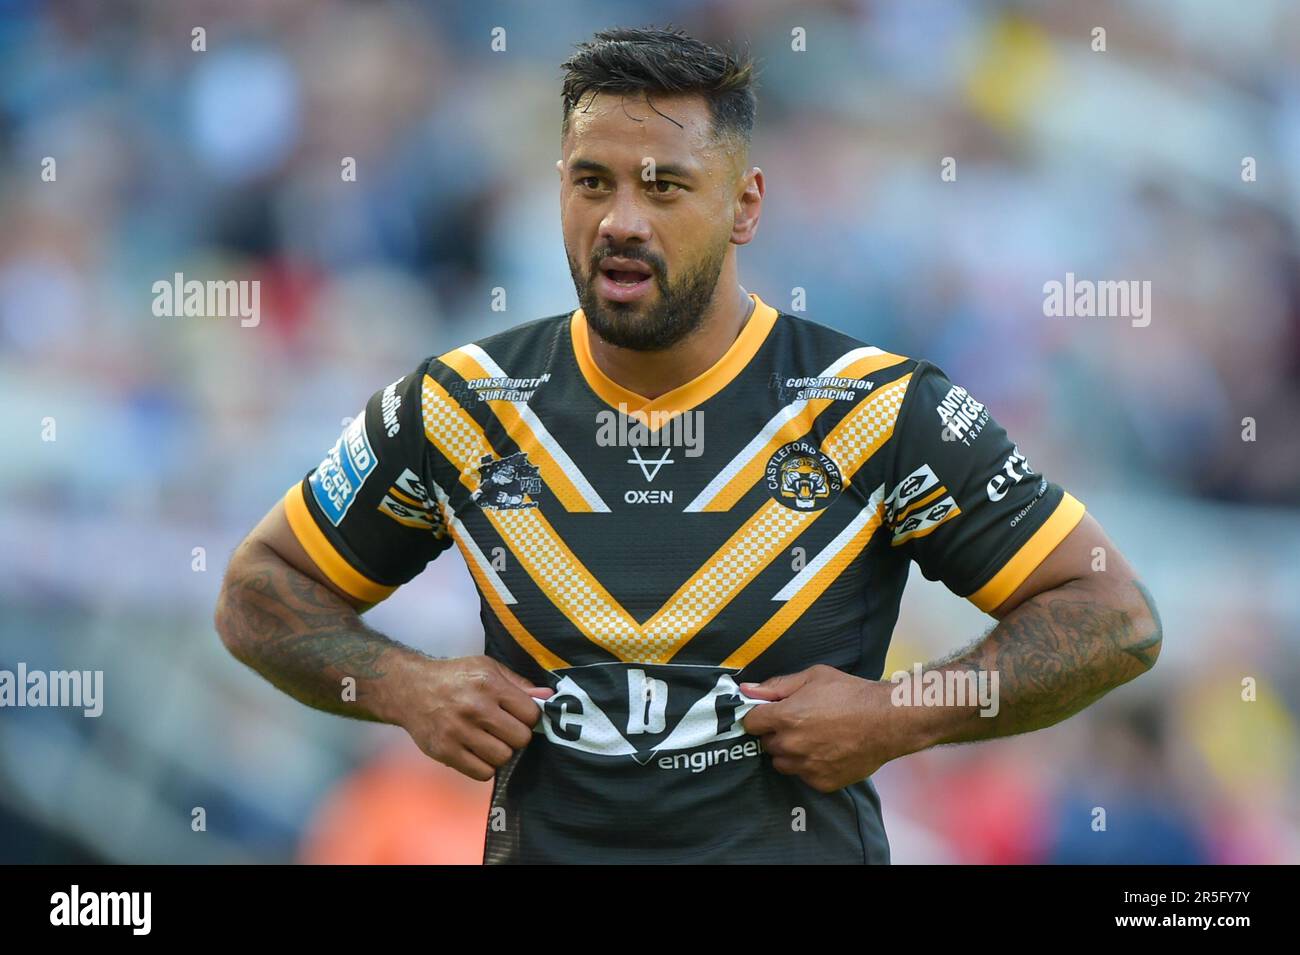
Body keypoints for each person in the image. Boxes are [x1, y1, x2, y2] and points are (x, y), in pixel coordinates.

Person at [214, 26, 1162, 864]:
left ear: (745, 205)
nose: (622, 219)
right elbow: (258, 591)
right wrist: (401, 684)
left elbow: (1113, 617)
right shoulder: (462, 402)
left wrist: (895, 714)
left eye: (665, 186)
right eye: (593, 182)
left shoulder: (874, 408)